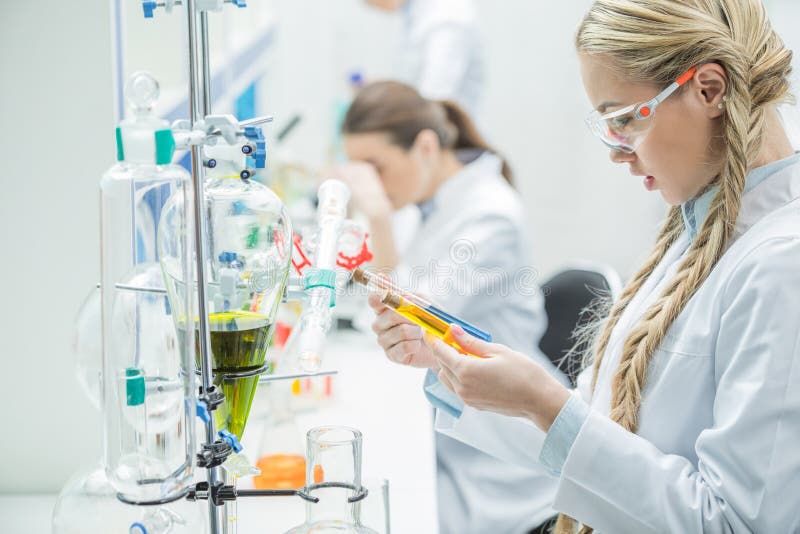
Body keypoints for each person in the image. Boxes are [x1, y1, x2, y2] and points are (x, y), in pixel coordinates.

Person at [367, 0, 800, 532]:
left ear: (709, 90)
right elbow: (597, 435)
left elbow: (735, 524)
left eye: (624, 119)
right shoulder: (695, 230)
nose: (616, 152)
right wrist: (453, 366)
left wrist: (546, 406)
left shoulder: (782, 266)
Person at [333, 81, 566, 534]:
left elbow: (410, 315)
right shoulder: (427, 202)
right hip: (451, 415)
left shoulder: (489, 216)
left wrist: (377, 216)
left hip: (499, 457)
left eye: (376, 167)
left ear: (424, 146)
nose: (370, 186)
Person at [362, 0, 484, 115]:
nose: (368, 4)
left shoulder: (447, 18)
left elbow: (435, 97)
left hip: (445, 131)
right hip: (426, 125)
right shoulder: (416, 13)